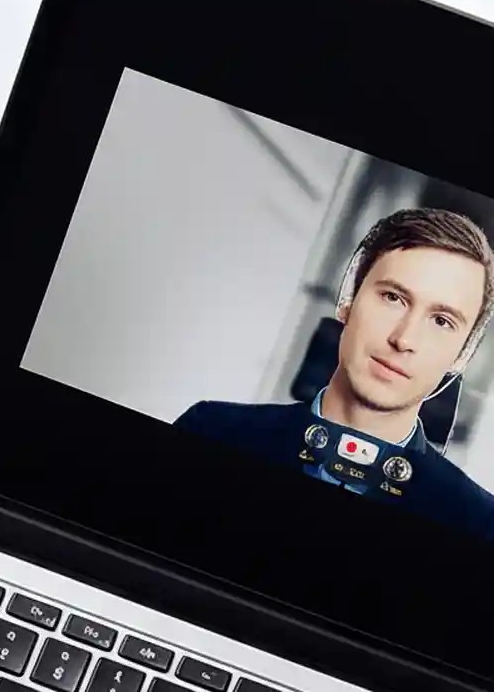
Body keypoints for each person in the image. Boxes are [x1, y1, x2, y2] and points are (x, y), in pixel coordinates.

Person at [174, 207, 494, 540]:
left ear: (463, 355)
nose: (404, 339)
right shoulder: (210, 432)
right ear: (348, 300)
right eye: (393, 297)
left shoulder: (479, 526)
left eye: (442, 321)